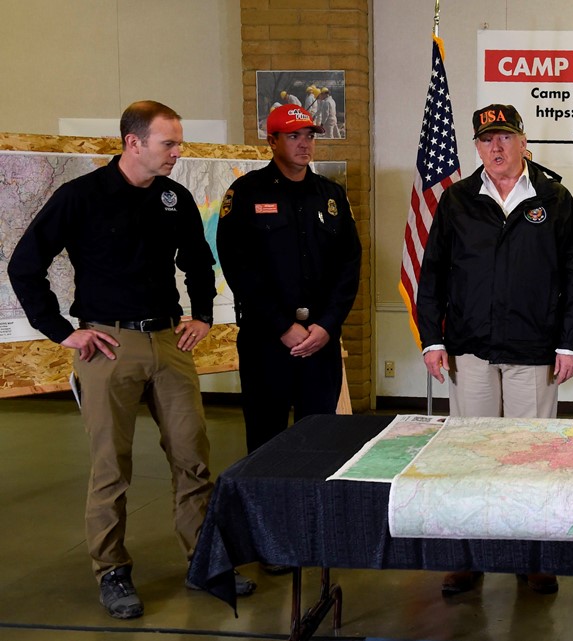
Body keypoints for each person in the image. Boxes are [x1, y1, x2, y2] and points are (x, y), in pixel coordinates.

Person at [6, 100, 255, 619]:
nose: (177, 152)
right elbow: (24, 264)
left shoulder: (174, 197)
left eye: (179, 142)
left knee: (193, 457)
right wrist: (61, 333)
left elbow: (197, 262)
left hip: (169, 342)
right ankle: (112, 571)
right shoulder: (81, 197)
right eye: (169, 143)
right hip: (107, 346)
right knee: (110, 468)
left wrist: (204, 314)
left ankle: (203, 558)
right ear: (133, 142)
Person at [416, 103, 573, 596]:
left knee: (532, 458)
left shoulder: (554, 198)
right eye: (487, 139)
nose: (497, 147)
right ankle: (469, 556)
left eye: (505, 137)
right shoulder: (457, 201)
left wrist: (569, 344)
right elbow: (434, 275)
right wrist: (433, 338)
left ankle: (532, 556)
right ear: (476, 146)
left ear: (522, 141)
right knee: (471, 456)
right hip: (469, 348)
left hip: (533, 349)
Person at [217, 104, 361, 458]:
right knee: (267, 443)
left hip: (320, 341)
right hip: (268, 342)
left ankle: (314, 511)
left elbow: (349, 265)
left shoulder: (331, 195)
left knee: (322, 440)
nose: (304, 144)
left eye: (309, 136)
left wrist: (327, 325)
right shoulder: (246, 193)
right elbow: (239, 268)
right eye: (293, 136)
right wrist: (282, 326)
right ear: (272, 140)